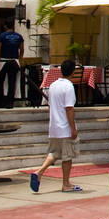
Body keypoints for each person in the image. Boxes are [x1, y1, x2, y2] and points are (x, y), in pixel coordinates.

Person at [30, 59, 81, 193]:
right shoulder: (69, 86)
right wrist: (73, 128)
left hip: (54, 126)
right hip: (65, 127)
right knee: (67, 156)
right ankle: (66, 183)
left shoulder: (53, 85)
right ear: (73, 72)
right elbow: (69, 109)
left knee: (54, 153)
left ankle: (39, 171)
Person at [0, 19, 25, 107]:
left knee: (0, 80)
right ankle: (10, 102)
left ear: (5, 26)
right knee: (12, 81)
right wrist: (20, 59)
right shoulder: (19, 36)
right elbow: (22, 49)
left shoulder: (2, 36)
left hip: (4, 60)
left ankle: (0, 100)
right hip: (14, 60)